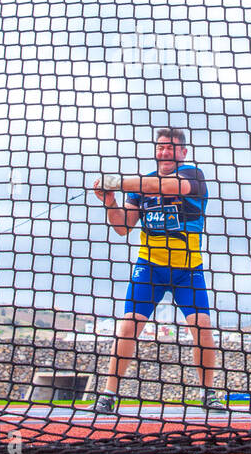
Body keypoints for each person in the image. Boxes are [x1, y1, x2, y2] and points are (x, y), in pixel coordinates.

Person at [90, 126, 224, 413]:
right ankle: (109, 393)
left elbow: (166, 187)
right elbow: (122, 227)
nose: (164, 152)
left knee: (201, 326)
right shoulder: (141, 185)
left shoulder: (193, 176)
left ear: (183, 152)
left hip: (188, 268)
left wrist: (115, 181)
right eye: (160, 147)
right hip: (149, 267)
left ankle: (209, 392)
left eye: (171, 147)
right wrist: (110, 201)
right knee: (129, 324)